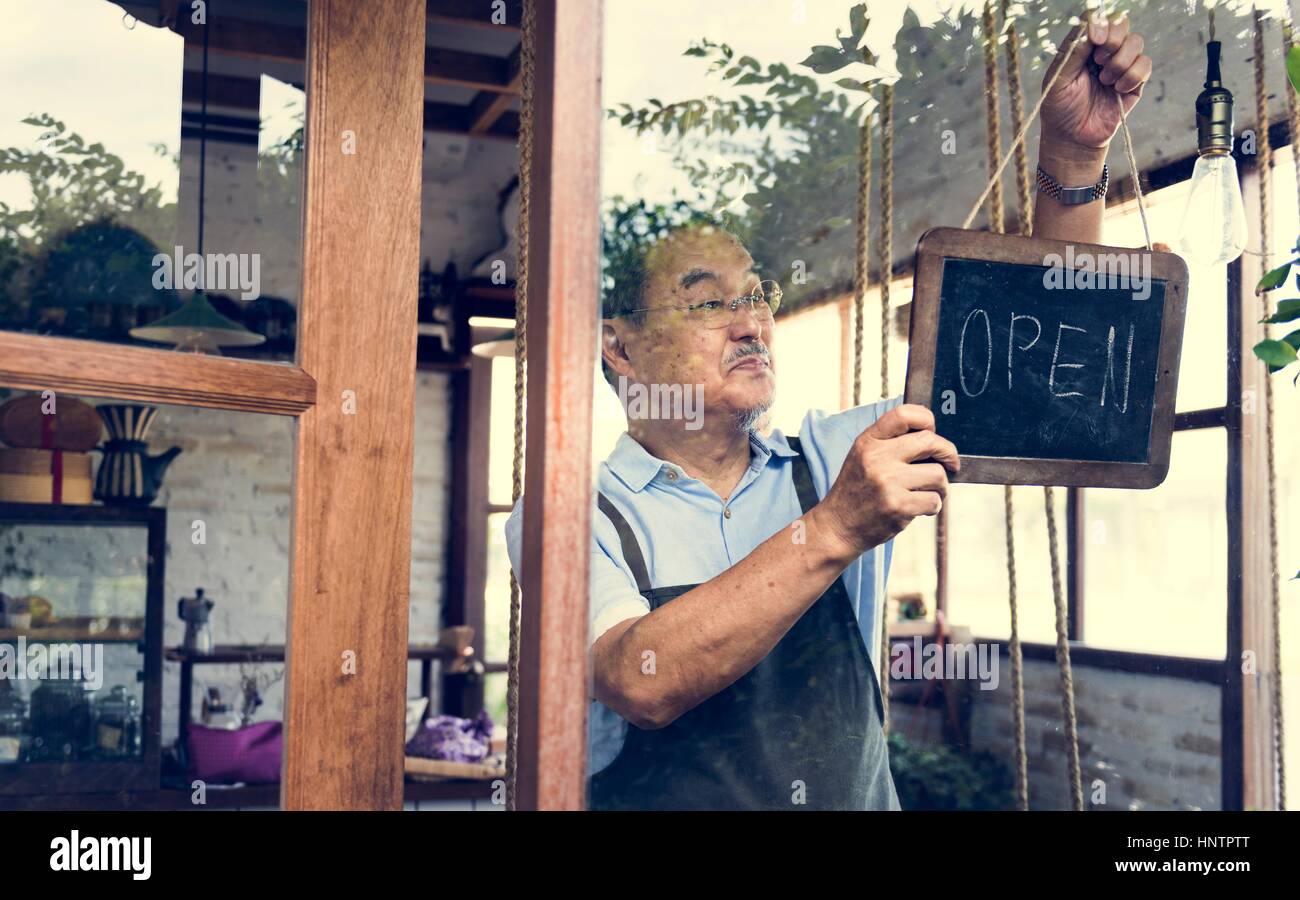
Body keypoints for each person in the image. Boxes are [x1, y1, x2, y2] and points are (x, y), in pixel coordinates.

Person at [505, 12, 1152, 810]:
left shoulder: (837, 459)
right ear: (622, 346)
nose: (753, 323)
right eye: (709, 301)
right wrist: (838, 526)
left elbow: (1043, 374)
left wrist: (1073, 159)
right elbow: (644, 679)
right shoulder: (573, 515)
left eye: (757, 295)